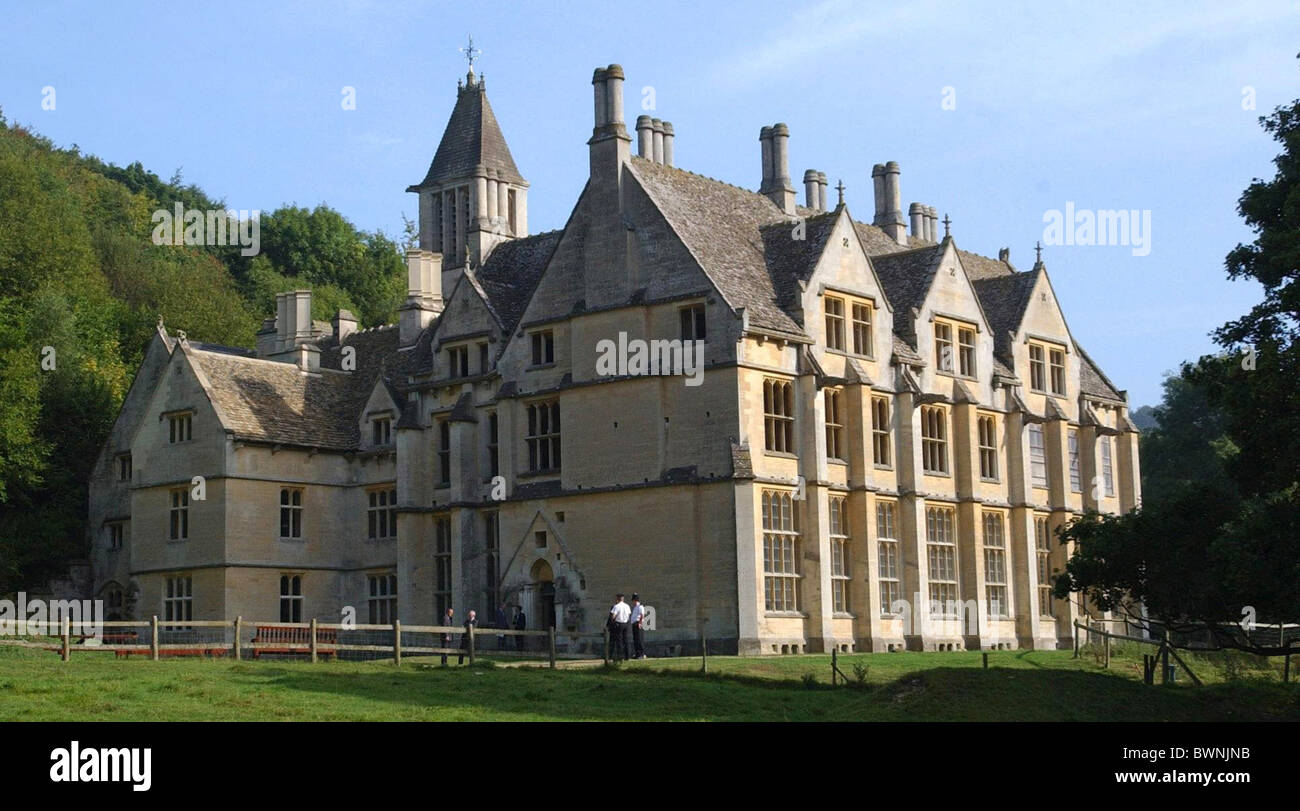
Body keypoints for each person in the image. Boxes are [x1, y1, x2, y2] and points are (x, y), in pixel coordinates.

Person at [609, 593, 631, 662]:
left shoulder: (616, 606)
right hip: (626, 623)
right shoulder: (627, 606)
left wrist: (613, 622)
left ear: (617, 599)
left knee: (619, 641)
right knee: (626, 640)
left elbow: (613, 616)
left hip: (619, 624)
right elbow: (629, 615)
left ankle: (620, 656)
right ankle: (627, 656)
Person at [630, 593, 648, 660]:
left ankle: (642, 654)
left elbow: (642, 615)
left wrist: (640, 623)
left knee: (639, 639)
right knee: (636, 639)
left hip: (638, 624)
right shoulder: (635, 607)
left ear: (635, 600)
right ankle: (637, 654)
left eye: (633, 600)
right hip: (634, 624)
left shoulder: (640, 607)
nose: (632, 602)